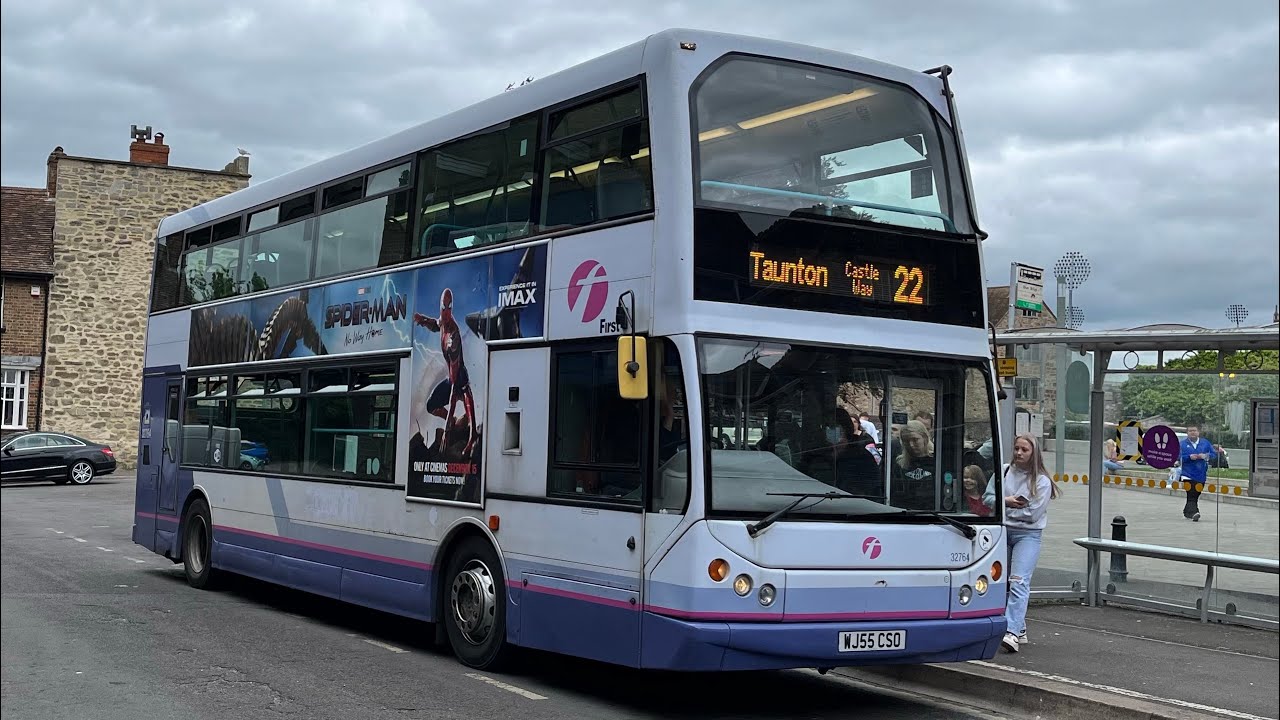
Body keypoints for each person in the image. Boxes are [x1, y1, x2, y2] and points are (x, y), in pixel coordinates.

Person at [983, 433, 1058, 653]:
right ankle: (1020, 626)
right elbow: (987, 498)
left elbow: (1033, 514)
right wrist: (1007, 502)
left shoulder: (1042, 481)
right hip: (1003, 532)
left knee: (1018, 581)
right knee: (1002, 582)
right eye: (1017, 448)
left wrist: (1003, 509)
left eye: (1024, 450)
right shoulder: (1005, 471)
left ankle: (1012, 631)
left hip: (1028, 536)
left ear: (1034, 453)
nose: (1019, 453)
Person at [414, 287, 478, 457]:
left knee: (465, 398)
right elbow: (435, 325)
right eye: (444, 308)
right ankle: (457, 423)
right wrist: (422, 320)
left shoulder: (453, 337)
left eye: (449, 308)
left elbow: (454, 389)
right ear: (440, 307)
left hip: (459, 379)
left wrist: (447, 430)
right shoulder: (442, 321)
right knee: (431, 405)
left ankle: (471, 436)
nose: (447, 312)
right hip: (451, 379)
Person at [892, 420, 935, 510]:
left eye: (915, 440)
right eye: (906, 441)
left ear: (925, 438)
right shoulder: (899, 464)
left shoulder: (937, 461)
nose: (911, 445)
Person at [1178, 424, 1217, 522]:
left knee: (1196, 493)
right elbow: (1178, 457)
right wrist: (1189, 457)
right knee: (1191, 493)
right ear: (1187, 433)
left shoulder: (1205, 443)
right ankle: (1194, 513)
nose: (1192, 432)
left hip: (1200, 474)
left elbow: (1214, 455)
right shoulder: (1182, 444)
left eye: (1194, 430)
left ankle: (1187, 511)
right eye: (1190, 431)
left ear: (1198, 432)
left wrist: (1205, 456)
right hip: (1187, 474)